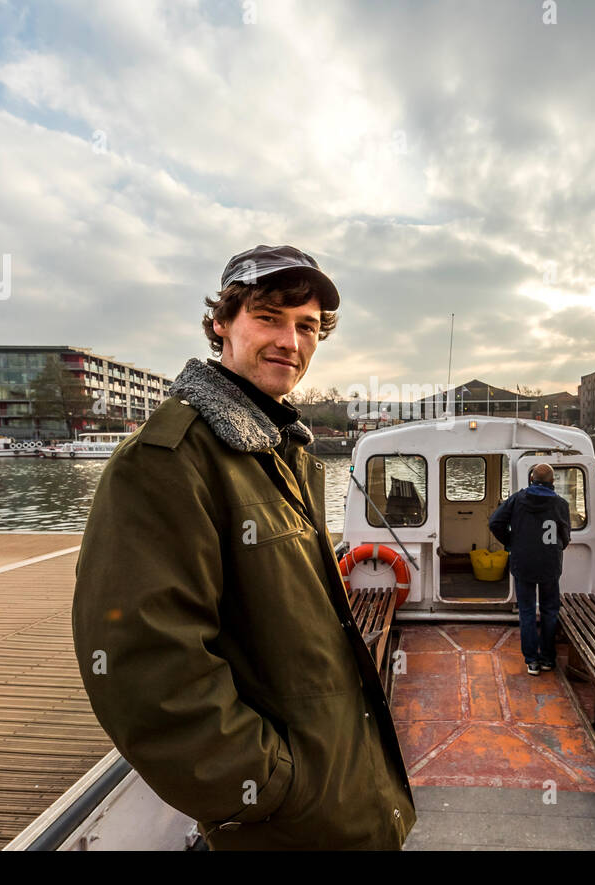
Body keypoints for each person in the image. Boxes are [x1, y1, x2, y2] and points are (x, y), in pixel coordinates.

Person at [71, 244, 416, 850]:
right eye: (268, 317)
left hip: (343, 803)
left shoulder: (281, 452)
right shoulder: (166, 463)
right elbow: (144, 669)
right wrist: (269, 785)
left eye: (306, 326)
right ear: (220, 324)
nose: (291, 340)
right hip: (286, 823)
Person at [488, 462, 572, 676]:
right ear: (553, 482)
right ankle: (547, 658)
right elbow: (566, 536)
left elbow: (495, 522)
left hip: (522, 563)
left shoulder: (517, 499)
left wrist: (510, 543)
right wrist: (557, 547)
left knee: (526, 611)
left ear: (531, 479)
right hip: (549, 565)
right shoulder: (560, 504)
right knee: (549, 610)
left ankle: (532, 661)